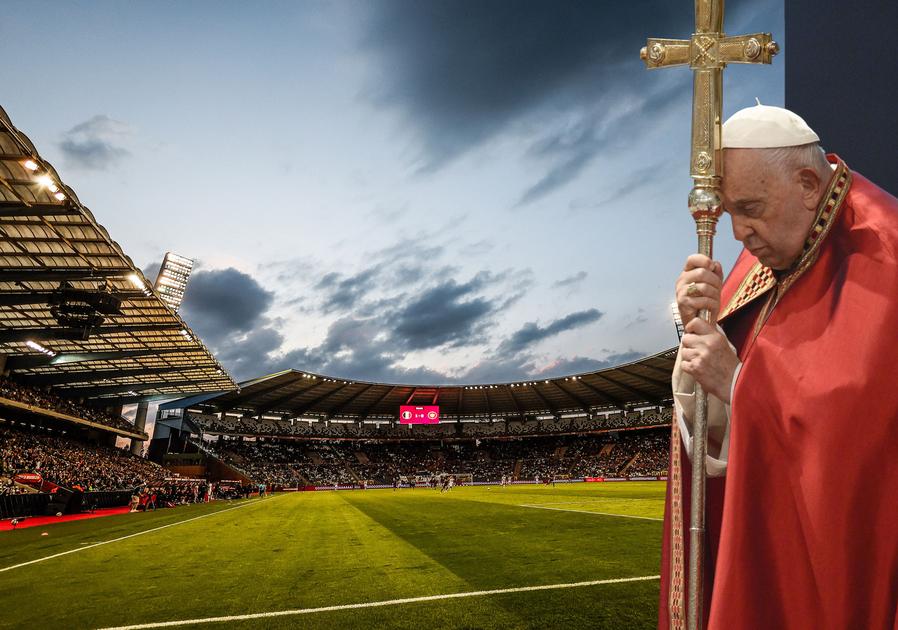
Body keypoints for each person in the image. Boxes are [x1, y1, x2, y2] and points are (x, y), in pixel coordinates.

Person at [659, 103, 898, 629]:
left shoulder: (886, 254)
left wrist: (736, 383)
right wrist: (701, 329)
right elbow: (725, 410)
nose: (739, 234)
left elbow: (858, 454)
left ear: (809, 184)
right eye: (728, 213)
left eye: (750, 208)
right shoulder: (768, 251)